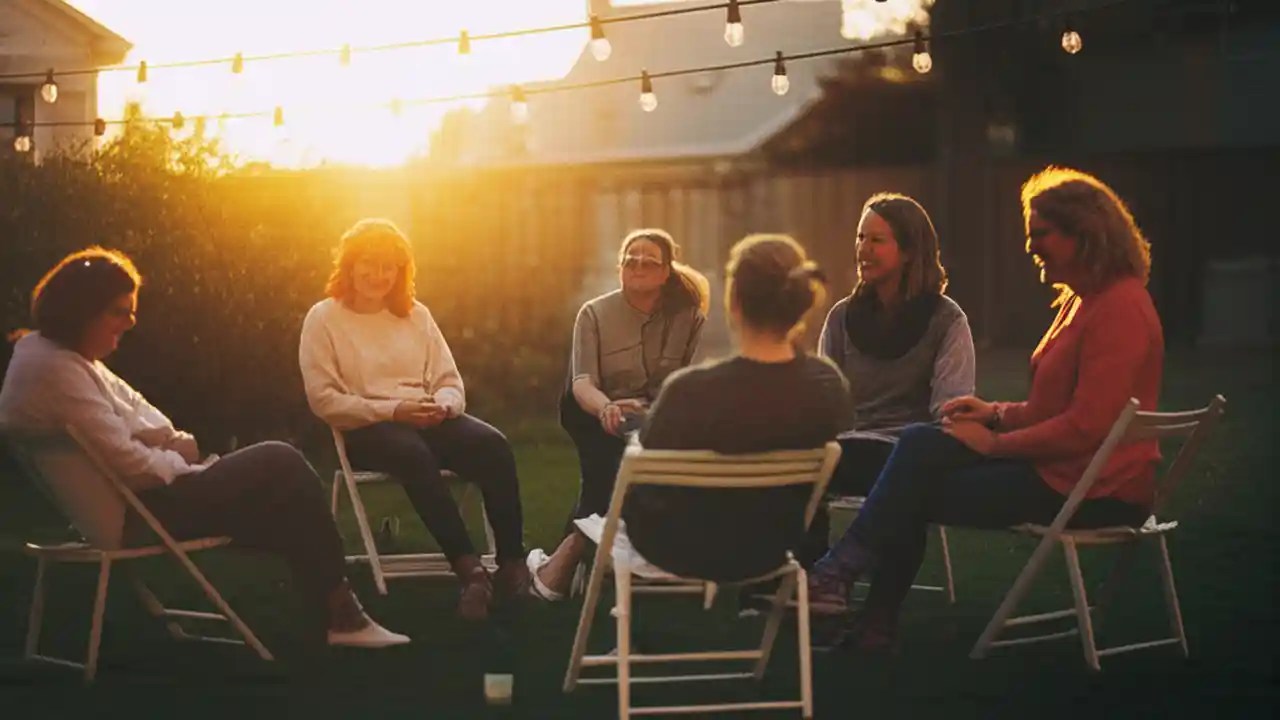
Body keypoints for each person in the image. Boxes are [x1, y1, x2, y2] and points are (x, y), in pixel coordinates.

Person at [808, 167, 1162, 651]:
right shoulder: (1080, 303)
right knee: (914, 455)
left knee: (908, 478)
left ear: (1085, 235)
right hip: (1065, 474)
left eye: (1040, 235)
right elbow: (1049, 409)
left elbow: (1087, 427)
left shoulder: (1118, 308)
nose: (1029, 247)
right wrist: (993, 413)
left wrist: (996, 443)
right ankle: (855, 602)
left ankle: (841, 586)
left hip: (1093, 491)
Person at [0, 247, 407, 648]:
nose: (130, 322)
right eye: (119, 311)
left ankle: (339, 613)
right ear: (81, 309)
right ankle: (343, 614)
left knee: (288, 508)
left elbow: (141, 414)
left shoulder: (59, 357)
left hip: (142, 500)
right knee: (281, 459)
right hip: (142, 510)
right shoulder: (56, 370)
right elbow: (129, 462)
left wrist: (169, 443)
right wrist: (181, 462)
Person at [299, 219, 528, 621]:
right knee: (413, 454)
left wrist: (442, 406)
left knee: (493, 445)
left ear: (402, 272)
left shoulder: (415, 315)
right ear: (349, 265)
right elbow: (324, 399)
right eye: (369, 264)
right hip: (367, 427)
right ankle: (471, 572)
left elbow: (448, 381)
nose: (379, 275)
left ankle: (512, 567)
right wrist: (392, 411)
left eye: (390, 266)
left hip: (425, 417)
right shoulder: (324, 318)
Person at [620, 233, 849, 582]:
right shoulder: (827, 385)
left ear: (734, 302)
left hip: (675, 549)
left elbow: (645, 477)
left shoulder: (687, 391)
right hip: (776, 548)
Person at [800, 193, 974, 618]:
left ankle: (877, 614)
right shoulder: (842, 316)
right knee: (793, 465)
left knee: (906, 482)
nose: (863, 249)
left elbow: (950, 407)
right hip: (846, 445)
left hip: (903, 450)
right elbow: (827, 399)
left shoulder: (947, 320)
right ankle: (808, 589)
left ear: (910, 250)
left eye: (877, 240)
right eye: (861, 237)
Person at [526, 228, 708, 600]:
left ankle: (561, 566)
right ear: (620, 267)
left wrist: (649, 409)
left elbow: (676, 382)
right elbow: (582, 382)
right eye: (630, 260)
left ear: (666, 272)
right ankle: (570, 564)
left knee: (624, 474)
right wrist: (607, 406)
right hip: (589, 405)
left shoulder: (686, 316)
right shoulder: (593, 313)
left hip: (647, 410)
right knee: (609, 467)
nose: (637, 266)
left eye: (649, 261)